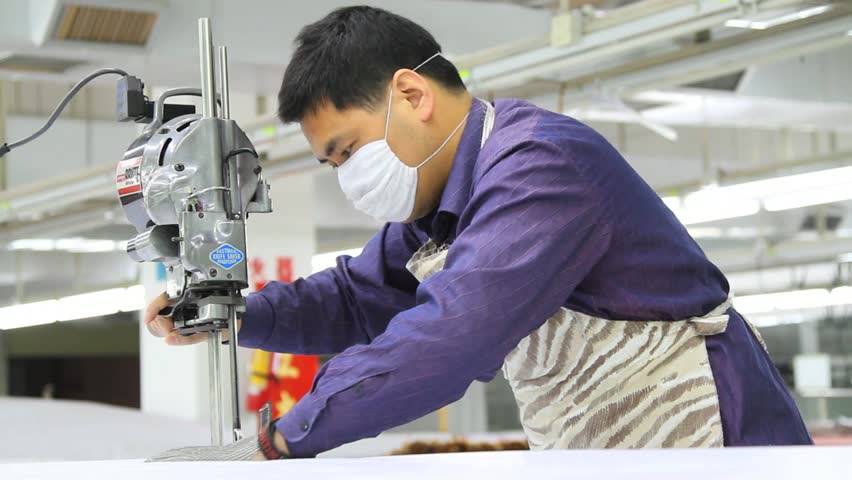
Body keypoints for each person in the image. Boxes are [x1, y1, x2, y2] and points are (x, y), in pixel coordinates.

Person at [145, 5, 812, 461]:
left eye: (346, 151)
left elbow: (447, 339)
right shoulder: (440, 206)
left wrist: (282, 440)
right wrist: (229, 313)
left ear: (412, 95)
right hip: (614, 450)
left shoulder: (538, 168)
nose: (346, 176)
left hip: (716, 445)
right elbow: (356, 300)